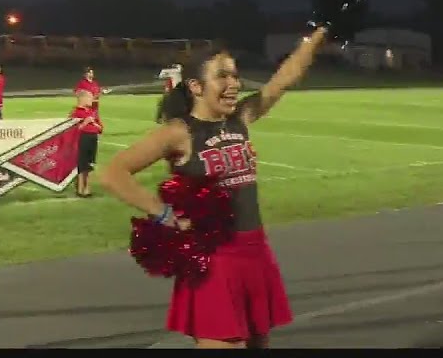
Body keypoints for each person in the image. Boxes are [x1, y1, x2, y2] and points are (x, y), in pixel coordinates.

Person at [99, 28, 327, 349]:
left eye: (235, 76)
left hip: (255, 251)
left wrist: (319, 33)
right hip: (216, 262)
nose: (233, 84)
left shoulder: (241, 118)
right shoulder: (179, 132)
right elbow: (113, 173)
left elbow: (284, 78)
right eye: (222, 77)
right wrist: (165, 215)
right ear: (195, 86)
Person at [72, 67, 105, 198]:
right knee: (82, 164)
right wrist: (86, 122)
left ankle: (88, 189)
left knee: (90, 165)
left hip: (93, 138)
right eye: (89, 97)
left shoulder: (93, 113)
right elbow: (73, 129)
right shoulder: (77, 112)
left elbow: (101, 129)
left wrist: (94, 123)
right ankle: (80, 189)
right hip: (83, 139)